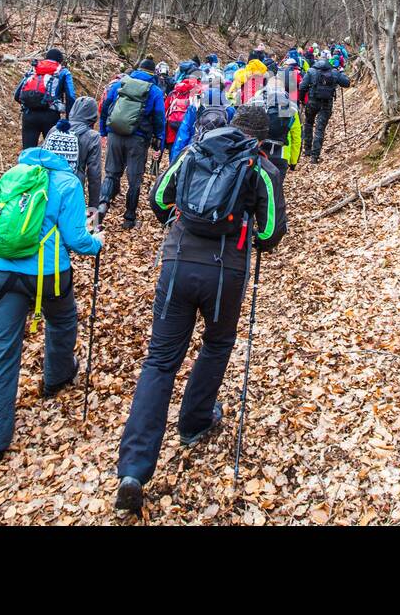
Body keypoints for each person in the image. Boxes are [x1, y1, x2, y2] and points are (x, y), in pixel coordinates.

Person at [114, 105, 287, 513]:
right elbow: (270, 233)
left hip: (177, 265)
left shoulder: (195, 152)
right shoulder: (262, 168)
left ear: (230, 125)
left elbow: (159, 201)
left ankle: (134, 469)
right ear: (261, 139)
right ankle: (194, 422)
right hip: (225, 272)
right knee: (217, 343)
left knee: (159, 361)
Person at [0, 145, 104, 470]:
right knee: (62, 321)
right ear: (70, 157)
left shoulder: (12, 176)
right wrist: (97, 243)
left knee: (1, 350)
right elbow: (77, 239)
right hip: (49, 274)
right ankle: (57, 376)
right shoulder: (68, 182)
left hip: (4, 272)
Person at [98, 58, 167, 229]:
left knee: (111, 174)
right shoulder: (155, 91)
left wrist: (103, 132)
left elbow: (106, 107)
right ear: (154, 73)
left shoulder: (120, 84)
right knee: (134, 180)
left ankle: (102, 205)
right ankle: (129, 218)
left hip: (115, 134)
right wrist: (159, 143)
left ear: (138, 69)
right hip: (138, 139)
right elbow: (159, 119)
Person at [45, 95, 102, 220]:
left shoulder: (55, 129)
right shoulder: (92, 136)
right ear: (93, 117)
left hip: (47, 184)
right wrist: (93, 207)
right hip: (74, 186)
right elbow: (94, 175)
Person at [15, 48, 77, 149]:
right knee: (51, 153)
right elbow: (70, 97)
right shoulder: (63, 72)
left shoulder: (34, 69)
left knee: (28, 153)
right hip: (51, 115)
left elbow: (17, 94)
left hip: (29, 115)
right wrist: (69, 119)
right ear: (60, 61)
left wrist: (30, 104)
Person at [169, 76, 234, 163]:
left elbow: (184, 133)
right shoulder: (230, 110)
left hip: (194, 150)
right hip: (220, 155)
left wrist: (175, 160)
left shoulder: (196, 106)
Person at [299, 58, 351, 164]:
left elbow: (302, 87)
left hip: (312, 102)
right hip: (326, 104)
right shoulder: (334, 72)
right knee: (320, 128)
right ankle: (315, 157)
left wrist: (302, 100)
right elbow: (347, 83)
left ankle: (307, 150)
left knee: (308, 124)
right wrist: (341, 73)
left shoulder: (311, 71)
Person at [249, 82, 302, 182]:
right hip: (282, 155)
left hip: (258, 152)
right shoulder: (291, 107)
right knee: (276, 188)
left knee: (258, 187)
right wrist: (293, 161)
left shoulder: (256, 102)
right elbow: (296, 137)